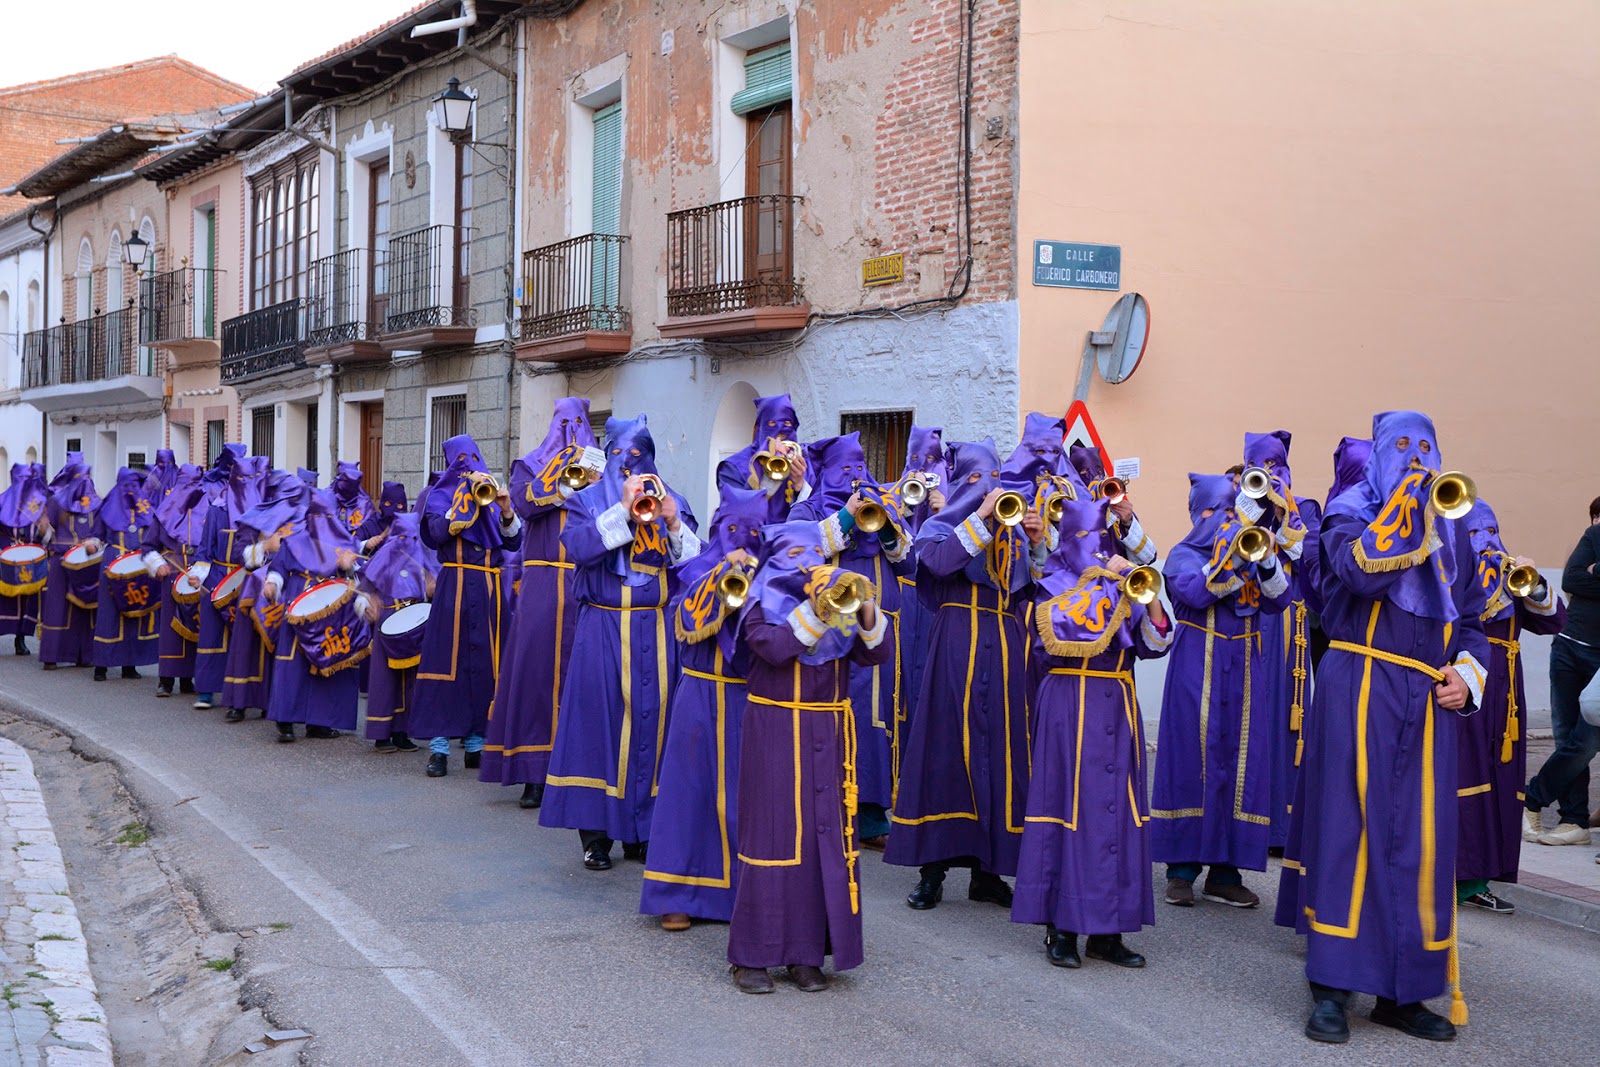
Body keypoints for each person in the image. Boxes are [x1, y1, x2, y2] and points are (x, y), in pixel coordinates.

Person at [1288, 411, 1488, 1045]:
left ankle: (1403, 991)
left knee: (1419, 843)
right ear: (1376, 456)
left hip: (1428, 699)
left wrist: (1469, 675)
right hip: (1360, 685)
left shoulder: (1453, 530)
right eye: (1401, 446)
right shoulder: (1347, 514)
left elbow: (1476, 619)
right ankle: (1331, 987)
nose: (1416, 457)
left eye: (1426, 446)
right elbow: (1356, 573)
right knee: (1350, 832)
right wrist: (1406, 508)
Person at [726, 520, 890, 994]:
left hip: (829, 730)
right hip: (776, 728)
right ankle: (750, 956)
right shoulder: (757, 603)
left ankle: (805, 954)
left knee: (823, 841)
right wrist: (816, 609)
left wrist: (863, 605)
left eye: (814, 553)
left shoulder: (836, 595)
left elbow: (877, 655)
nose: (806, 563)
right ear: (776, 557)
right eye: (795, 553)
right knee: (774, 837)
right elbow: (775, 649)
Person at [1012, 495, 1174, 969]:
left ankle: (1109, 928)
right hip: (1069, 705)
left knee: (1117, 814)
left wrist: (1145, 594)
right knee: (1069, 809)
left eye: (1101, 538)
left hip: (1118, 703)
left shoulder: (1127, 583)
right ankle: (1060, 927)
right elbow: (1045, 639)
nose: (1095, 547)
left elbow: (1157, 644)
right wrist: (1095, 587)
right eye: (1084, 538)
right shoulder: (1051, 584)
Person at [886, 439, 1046, 910]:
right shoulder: (943, 522)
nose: (989, 489)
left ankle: (989, 871)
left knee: (1001, 750)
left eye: (995, 480)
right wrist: (982, 518)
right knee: (946, 747)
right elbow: (934, 563)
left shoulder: (1015, 528)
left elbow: (1036, 585)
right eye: (978, 480)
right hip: (957, 636)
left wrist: (1037, 543)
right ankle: (932, 872)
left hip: (1004, 637)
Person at [540, 415, 701, 868]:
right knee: (599, 727)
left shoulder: (676, 500)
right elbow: (579, 548)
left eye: (639, 459)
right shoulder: (586, 501)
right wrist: (624, 512)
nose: (629, 469)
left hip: (657, 626)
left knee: (656, 727)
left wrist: (672, 523)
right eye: (620, 459)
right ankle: (595, 836)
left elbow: (695, 563)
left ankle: (644, 830)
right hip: (603, 628)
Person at [1150, 466, 1295, 909]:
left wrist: (1266, 558)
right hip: (1199, 660)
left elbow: (1281, 599)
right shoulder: (1182, 554)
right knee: (1194, 760)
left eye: (1231, 510)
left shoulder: (1248, 550)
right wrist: (1229, 557)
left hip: (1246, 663)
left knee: (1239, 763)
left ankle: (1226, 872)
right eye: (1215, 510)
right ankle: (1182, 870)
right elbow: (1195, 595)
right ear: (1199, 513)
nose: (1224, 518)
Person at [641, 485, 767, 931]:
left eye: (752, 530)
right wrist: (721, 581)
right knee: (688, 793)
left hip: (749, 697)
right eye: (732, 529)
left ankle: (744, 895)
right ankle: (676, 891)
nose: (742, 538)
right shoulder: (695, 566)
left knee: (744, 795)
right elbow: (683, 621)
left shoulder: (774, 574)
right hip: (699, 693)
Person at [790, 432, 913, 851]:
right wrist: (846, 516)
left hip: (875, 632)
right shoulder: (807, 510)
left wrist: (888, 529)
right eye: (846, 469)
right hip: (829, 638)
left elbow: (909, 563)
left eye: (860, 468)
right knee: (835, 720)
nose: (856, 477)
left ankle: (874, 815)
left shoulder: (884, 506)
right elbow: (800, 550)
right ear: (826, 472)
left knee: (877, 722)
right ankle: (827, 810)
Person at [480, 398, 601, 807]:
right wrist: (565, 482)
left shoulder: (600, 467)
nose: (570, 429)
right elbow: (526, 505)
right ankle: (533, 771)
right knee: (536, 671)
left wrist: (594, 475)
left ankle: (577, 769)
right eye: (563, 421)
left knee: (581, 676)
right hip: (543, 580)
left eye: (578, 422)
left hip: (587, 579)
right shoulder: (528, 466)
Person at [1455, 501, 1564, 911]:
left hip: (1507, 696)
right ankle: (1456, 876)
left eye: (1492, 529)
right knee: (1466, 781)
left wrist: (1533, 583)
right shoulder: (1449, 570)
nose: (1485, 540)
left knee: (1502, 783)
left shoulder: (1509, 573)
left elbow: (1552, 621)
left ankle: (1482, 877)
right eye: (1474, 531)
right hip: (1467, 682)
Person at [410, 435, 522, 776]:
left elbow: (514, 540)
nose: (468, 464)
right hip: (454, 585)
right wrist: (462, 504)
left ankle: (476, 742)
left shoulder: (492, 491)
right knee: (446, 662)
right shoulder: (437, 496)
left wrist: (504, 508)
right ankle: (440, 747)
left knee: (484, 664)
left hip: (488, 586)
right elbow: (438, 533)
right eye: (460, 459)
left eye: (473, 457)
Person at [246, 478, 367, 742]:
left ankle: (320, 721)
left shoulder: (344, 542)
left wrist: (349, 566)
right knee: (293, 665)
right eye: (317, 516)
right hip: (299, 607)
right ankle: (285, 720)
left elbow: (358, 577)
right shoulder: (294, 541)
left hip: (333, 610)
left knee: (329, 661)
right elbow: (279, 570)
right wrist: (271, 586)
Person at [1521, 495, 1600, 848]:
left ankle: (1532, 799)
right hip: (1568, 649)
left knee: (1586, 740)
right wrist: (1586, 575)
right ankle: (1574, 819)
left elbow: (1583, 581)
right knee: (1566, 735)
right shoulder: (1594, 536)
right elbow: (1571, 579)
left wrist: (1595, 574)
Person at [361, 510, 436, 753]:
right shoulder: (386, 553)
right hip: (388, 620)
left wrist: (432, 588)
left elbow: (427, 584)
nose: (407, 541)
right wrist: (366, 604)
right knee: (385, 679)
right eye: (402, 536)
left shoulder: (418, 555)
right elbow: (366, 586)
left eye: (411, 537)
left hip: (412, 621)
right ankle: (381, 733)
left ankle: (402, 732)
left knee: (410, 681)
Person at [893, 425, 947, 744]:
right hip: (901, 603)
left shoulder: (952, 502)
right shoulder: (897, 492)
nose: (921, 467)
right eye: (914, 459)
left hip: (930, 604)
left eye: (929, 460)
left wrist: (944, 510)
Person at [191, 446, 256, 709]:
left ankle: (242, 694)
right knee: (211, 634)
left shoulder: (259, 511)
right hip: (216, 576)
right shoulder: (216, 509)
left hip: (246, 580)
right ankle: (206, 691)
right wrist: (198, 573)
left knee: (244, 638)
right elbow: (205, 548)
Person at [140, 463, 206, 697]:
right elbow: (148, 547)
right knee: (170, 629)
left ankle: (189, 678)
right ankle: (165, 679)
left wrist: (203, 570)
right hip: (172, 577)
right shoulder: (163, 513)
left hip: (198, 577)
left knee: (196, 629)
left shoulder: (209, 511)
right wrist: (157, 564)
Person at [88, 468, 160, 682]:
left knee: (136, 613)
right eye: (126, 485)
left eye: (133, 486)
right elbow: (95, 535)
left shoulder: (146, 509)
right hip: (113, 564)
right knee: (109, 615)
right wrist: (91, 544)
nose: (130, 490)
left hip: (138, 566)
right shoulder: (108, 507)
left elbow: (152, 536)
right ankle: (101, 665)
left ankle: (130, 664)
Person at [38, 454, 99, 670]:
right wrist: (44, 528)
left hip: (88, 563)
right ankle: (51, 656)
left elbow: (100, 533)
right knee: (58, 608)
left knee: (85, 610)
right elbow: (46, 536)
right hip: (61, 561)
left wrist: (94, 543)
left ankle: (84, 655)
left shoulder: (96, 503)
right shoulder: (56, 502)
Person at [715, 393, 811, 524]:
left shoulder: (804, 461)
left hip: (793, 540)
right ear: (759, 428)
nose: (780, 430)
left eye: (787, 423)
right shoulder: (732, 467)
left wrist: (800, 485)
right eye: (772, 423)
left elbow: (817, 512)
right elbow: (738, 513)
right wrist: (771, 471)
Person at [0, 462, 50, 656]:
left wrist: (43, 532)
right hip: (6, 556)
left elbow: (43, 537)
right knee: (4, 599)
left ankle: (20, 639)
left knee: (26, 599)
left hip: (28, 557)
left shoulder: (36, 505)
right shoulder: (3, 502)